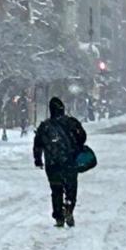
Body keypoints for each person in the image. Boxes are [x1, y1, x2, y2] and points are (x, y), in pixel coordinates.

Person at [33, 97, 87, 228]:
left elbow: (37, 144)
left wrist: (38, 159)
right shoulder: (71, 122)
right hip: (69, 162)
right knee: (71, 188)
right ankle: (69, 207)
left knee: (56, 190)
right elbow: (83, 137)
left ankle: (59, 217)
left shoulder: (44, 126)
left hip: (52, 164)